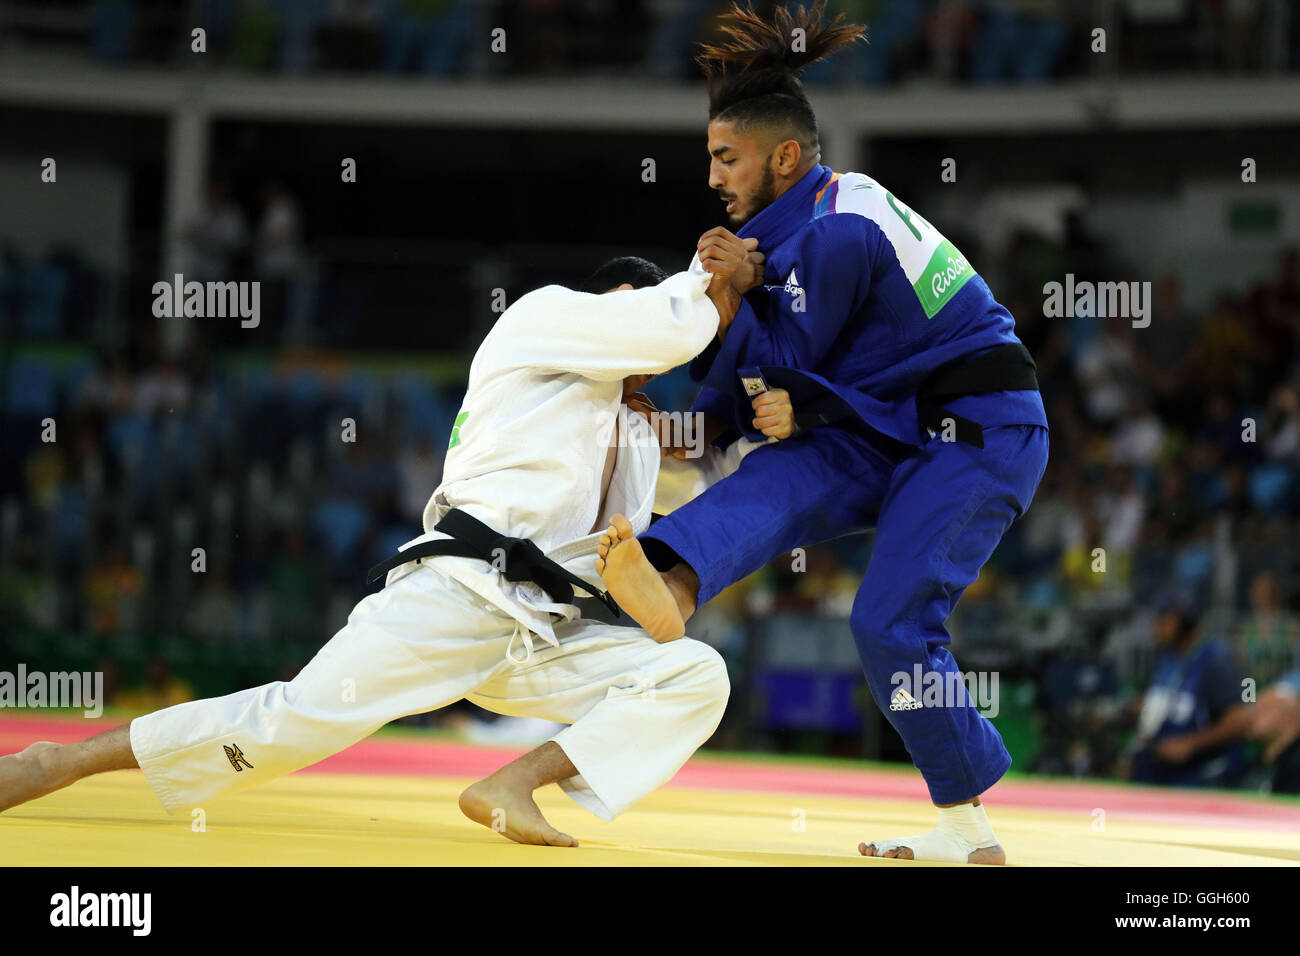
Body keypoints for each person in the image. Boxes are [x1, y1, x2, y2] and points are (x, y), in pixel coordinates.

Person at [0, 236, 758, 847]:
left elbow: (716, 490)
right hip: (459, 595)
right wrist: (713, 278)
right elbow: (667, 323)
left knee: (693, 675)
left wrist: (776, 418)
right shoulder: (540, 323)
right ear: (603, 313)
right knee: (287, 723)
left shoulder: (637, 430)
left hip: (548, 633)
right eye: (628, 316)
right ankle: (56, 762)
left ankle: (512, 783)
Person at [605, 2, 1049, 864]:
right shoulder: (781, 242)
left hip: (978, 428)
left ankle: (969, 829)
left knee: (888, 621)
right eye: (709, 159)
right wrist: (689, 423)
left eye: (725, 159)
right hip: (886, 425)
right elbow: (749, 381)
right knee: (782, 471)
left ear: (785, 158)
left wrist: (770, 362)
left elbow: (787, 354)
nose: (713, 180)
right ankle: (677, 582)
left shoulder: (846, 221)